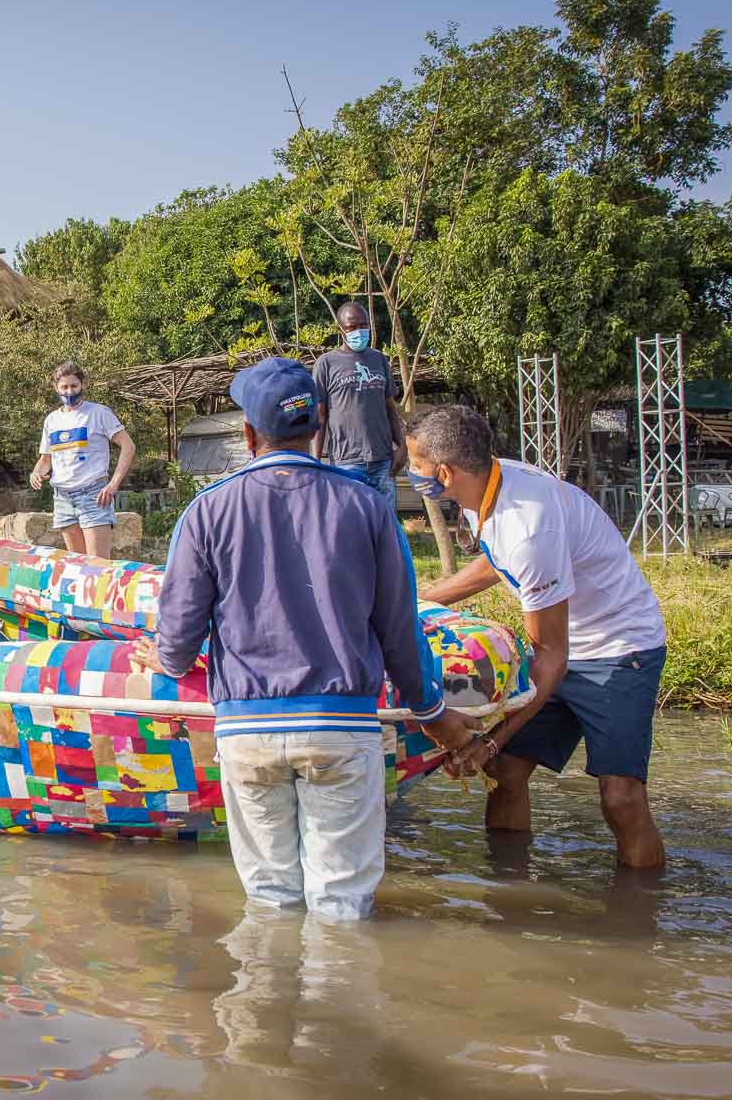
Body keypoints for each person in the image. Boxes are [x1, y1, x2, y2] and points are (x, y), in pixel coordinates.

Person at [150, 357, 474, 920]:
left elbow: (178, 639)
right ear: (320, 422)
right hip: (340, 728)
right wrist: (431, 709)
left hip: (247, 730)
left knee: (270, 901)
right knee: (342, 904)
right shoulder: (368, 505)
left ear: (248, 434)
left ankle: (265, 1001)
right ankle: (336, 1005)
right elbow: (399, 628)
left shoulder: (205, 512)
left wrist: (166, 661)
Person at [407, 404, 669, 869]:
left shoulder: (529, 526)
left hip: (618, 650)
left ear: (444, 472)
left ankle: (641, 917)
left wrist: (489, 739)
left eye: (415, 466)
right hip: (562, 645)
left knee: (620, 798)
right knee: (504, 772)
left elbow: (551, 659)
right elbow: (496, 560)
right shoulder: (486, 487)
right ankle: (509, 895)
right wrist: (426, 598)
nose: (411, 474)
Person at [29, 361, 135, 558]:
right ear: (56, 388)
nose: (69, 392)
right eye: (64, 387)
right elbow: (45, 460)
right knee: (78, 566)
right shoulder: (52, 420)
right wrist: (36, 473)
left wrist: (113, 484)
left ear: (82, 385)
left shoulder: (99, 413)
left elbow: (128, 446)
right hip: (63, 497)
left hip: (93, 495)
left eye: (74, 386)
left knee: (97, 566)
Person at [313, 301, 407, 510]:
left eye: (363, 326)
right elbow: (321, 416)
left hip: (383, 460)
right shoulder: (326, 364)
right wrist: (316, 461)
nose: (359, 332)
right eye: (352, 327)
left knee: (386, 525)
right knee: (351, 525)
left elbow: (390, 408)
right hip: (347, 461)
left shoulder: (379, 360)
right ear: (341, 330)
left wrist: (402, 446)